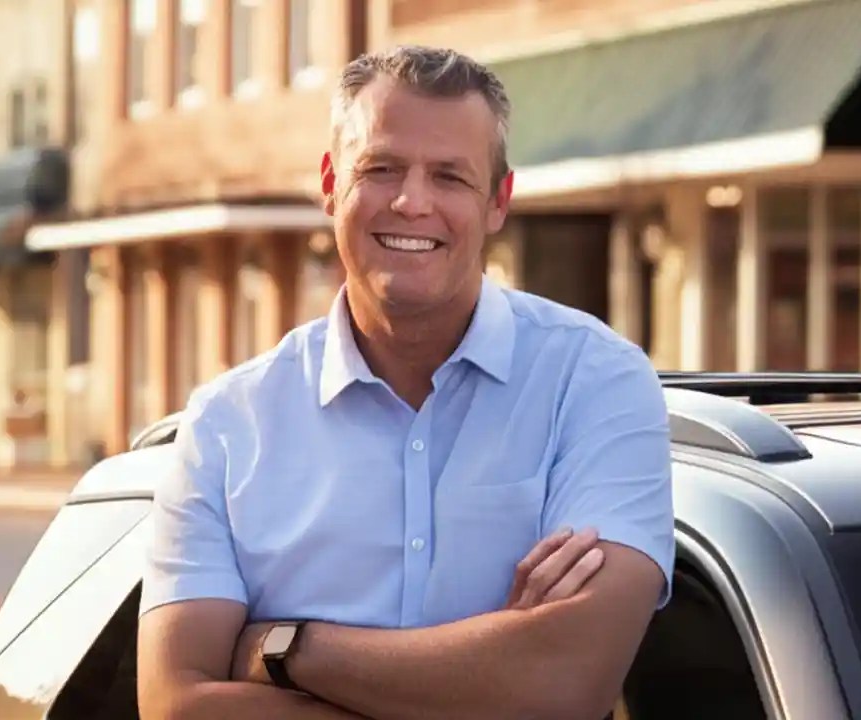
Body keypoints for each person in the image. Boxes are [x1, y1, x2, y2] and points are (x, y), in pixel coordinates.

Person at [137, 45, 674, 720]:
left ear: (497, 202)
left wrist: (286, 650)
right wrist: (492, 680)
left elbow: (566, 683)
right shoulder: (226, 426)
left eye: (450, 177)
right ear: (331, 183)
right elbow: (176, 706)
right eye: (381, 168)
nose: (411, 202)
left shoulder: (595, 385)